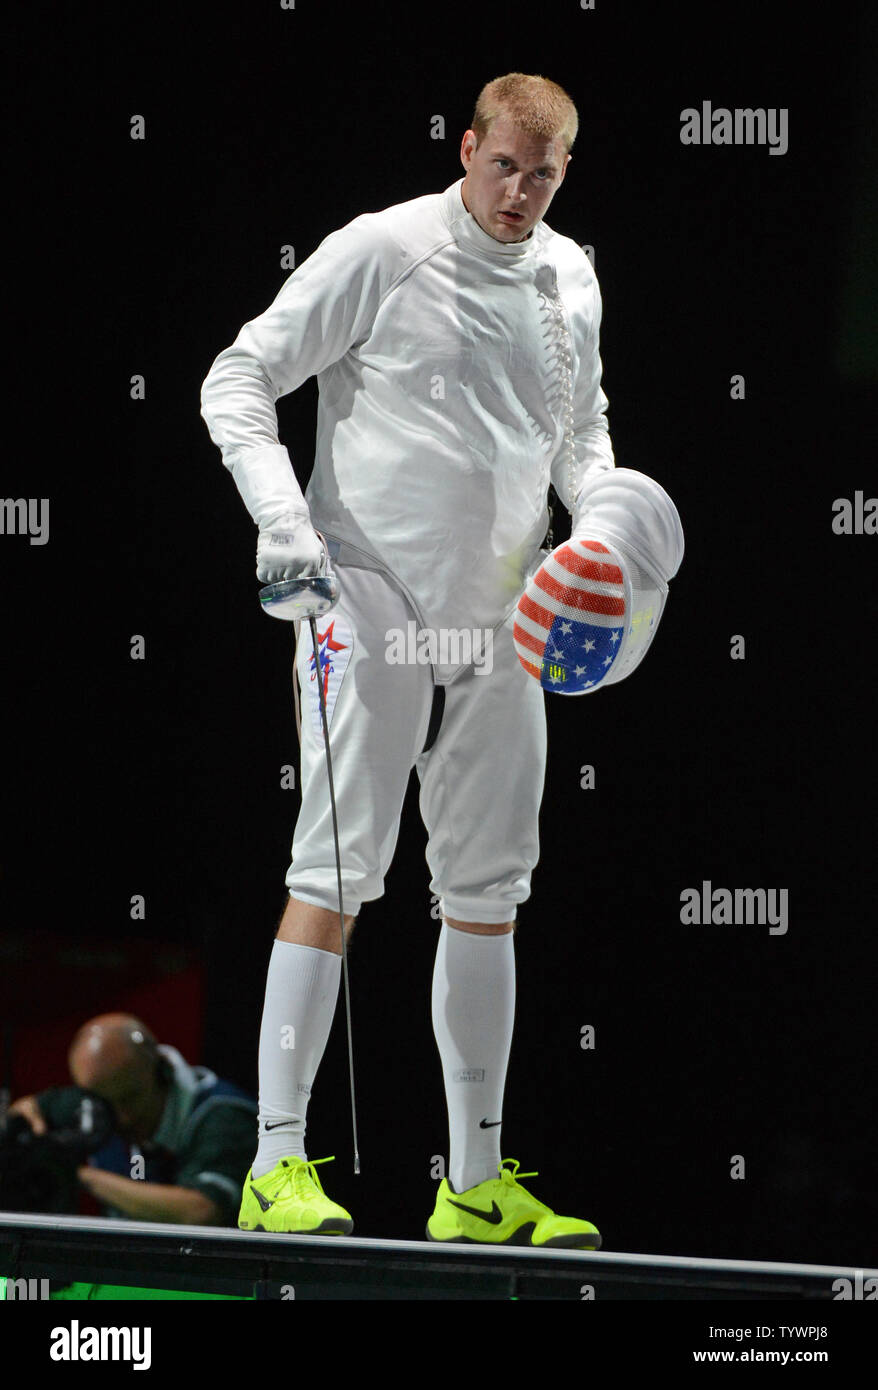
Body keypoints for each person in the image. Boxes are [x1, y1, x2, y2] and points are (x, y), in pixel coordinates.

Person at [200, 72, 615, 1248]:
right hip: (364, 593)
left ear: (564, 169)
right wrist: (282, 522)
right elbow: (238, 375)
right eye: (503, 167)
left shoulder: (570, 274)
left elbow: (576, 432)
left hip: (505, 610)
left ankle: (472, 1184)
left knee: (488, 896)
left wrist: (602, 526)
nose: (520, 193)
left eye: (544, 174)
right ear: (466, 146)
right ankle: (274, 1165)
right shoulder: (382, 247)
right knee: (334, 876)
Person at [9, 1014, 256, 1226]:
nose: (121, 1118)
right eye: (105, 1104)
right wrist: (23, 1121)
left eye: (130, 1098)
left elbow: (202, 1210)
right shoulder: (90, 1102)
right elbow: (26, 1111)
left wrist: (80, 1175)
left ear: (162, 1072)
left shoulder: (223, 1117)